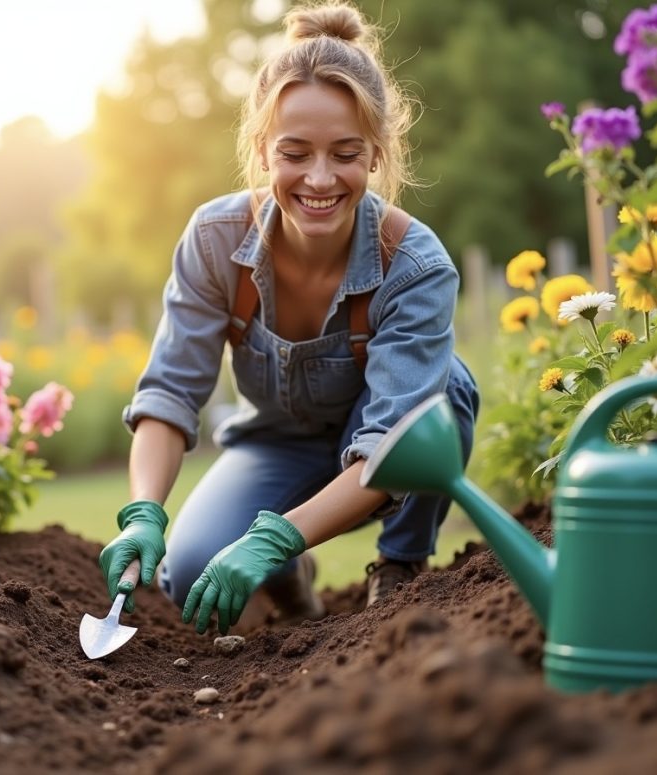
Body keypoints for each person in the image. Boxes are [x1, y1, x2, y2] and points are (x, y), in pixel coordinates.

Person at [99, 0, 479, 636]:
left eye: (345, 154)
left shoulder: (414, 264)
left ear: (377, 154)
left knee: (448, 392)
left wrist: (276, 535)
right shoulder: (216, 239)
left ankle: (399, 565)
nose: (320, 178)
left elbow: (392, 445)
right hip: (278, 442)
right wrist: (143, 511)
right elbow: (169, 393)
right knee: (194, 575)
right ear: (262, 150)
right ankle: (287, 580)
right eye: (295, 153)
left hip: (378, 452)